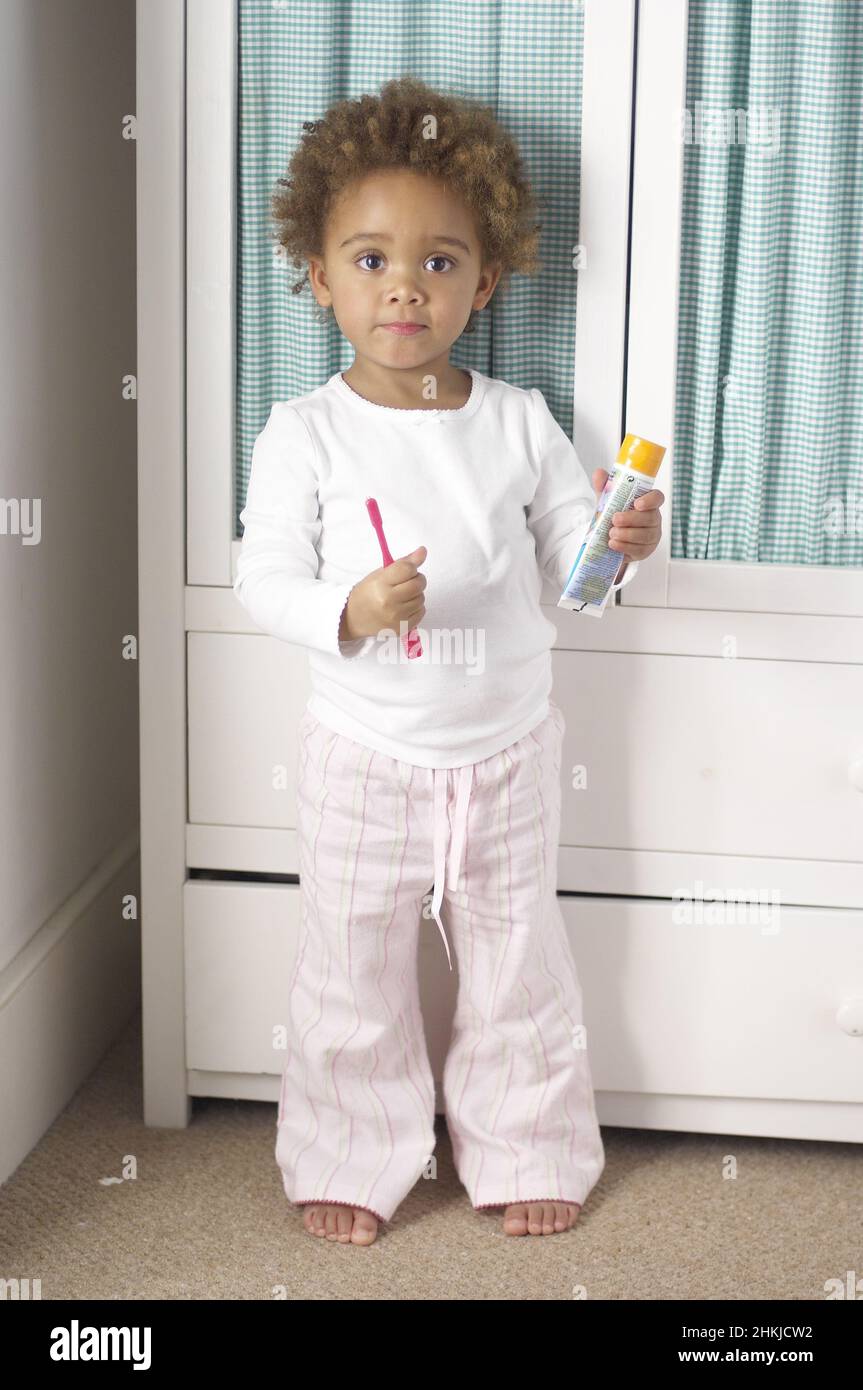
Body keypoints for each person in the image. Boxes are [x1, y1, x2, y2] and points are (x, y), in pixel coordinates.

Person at [234, 76, 664, 1247]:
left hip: (507, 749)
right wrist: (351, 608)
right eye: (369, 259)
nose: (403, 288)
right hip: (363, 754)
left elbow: (572, 569)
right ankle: (348, 1150)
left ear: (487, 281)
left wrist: (618, 543)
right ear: (318, 278)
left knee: (518, 961)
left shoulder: (519, 421)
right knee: (349, 967)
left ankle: (526, 1141)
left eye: (437, 261)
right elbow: (259, 577)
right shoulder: (302, 433)